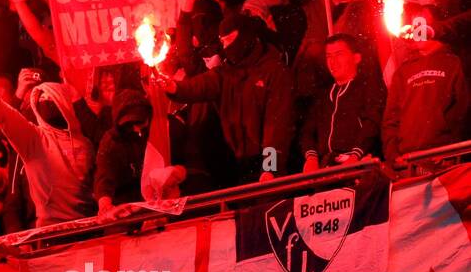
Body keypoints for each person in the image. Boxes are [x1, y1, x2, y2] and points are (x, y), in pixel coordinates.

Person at [160, 12, 293, 183]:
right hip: (237, 163)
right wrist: (174, 87)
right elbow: (199, 86)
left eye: (231, 39)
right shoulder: (225, 72)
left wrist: (270, 169)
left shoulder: (274, 71)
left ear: (245, 37)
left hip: (266, 163)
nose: (227, 46)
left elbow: (276, 128)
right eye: (223, 41)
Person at [0, 75, 94, 228]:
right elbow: (6, 115)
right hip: (52, 230)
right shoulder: (34, 139)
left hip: (89, 226)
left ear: (63, 101)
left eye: (50, 97)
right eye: (41, 99)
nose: (45, 102)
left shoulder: (85, 143)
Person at [383, 8, 469, 171]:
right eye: (414, 25)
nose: (417, 30)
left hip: (443, 159)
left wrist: (451, 149)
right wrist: (393, 156)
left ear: (437, 28)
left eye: (421, 24)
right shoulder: (403, 71)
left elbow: (463, 111)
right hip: (408, 163)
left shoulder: (454, 63)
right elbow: (391, 119)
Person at [300, 33, 386, 171]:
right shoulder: (322, 96)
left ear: (356, 58)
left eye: (339, 54)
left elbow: (372, 124)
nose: (333, 61)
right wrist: (311, 158)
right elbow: (307, 131)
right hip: (325, 169)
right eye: (329, 56)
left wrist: (355, 156)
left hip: (359, 166)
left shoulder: (369, 88)